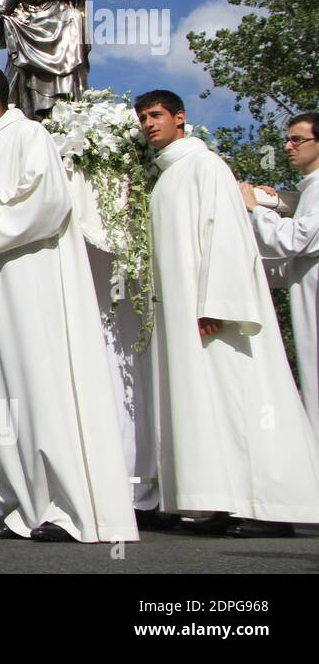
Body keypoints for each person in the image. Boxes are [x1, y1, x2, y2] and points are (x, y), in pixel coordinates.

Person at [0, 66, 137, 543]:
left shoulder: (29, 135)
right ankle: (24, 506)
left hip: (32, 281)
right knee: (6, 392)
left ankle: (69, 510)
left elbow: (47, 205)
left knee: (41, 386)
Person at [138, 90, 319, 536]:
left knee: (242, 402)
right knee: (205, 406)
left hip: (212, 311)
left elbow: (227, 236)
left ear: (180, 118)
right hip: (183, 310)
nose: (149, 124)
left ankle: (270, 508)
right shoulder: (167, 178)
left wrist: (218, 301)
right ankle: (216, 501)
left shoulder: (207, 166)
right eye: (142, 118)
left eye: (156, 115)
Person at [242, 111, 319, 437]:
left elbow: (295, 239)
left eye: (297, 140)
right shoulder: (308, 191)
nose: (288, 146)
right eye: (287, 140)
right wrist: (274, 203)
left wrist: (255, 208)